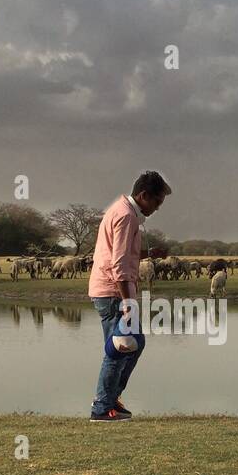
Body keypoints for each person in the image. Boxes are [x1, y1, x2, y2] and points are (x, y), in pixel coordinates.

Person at [86, 170, 172, 421]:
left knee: (133, 344)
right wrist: (127, 303)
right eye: (156, 202)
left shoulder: (122, 211)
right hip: (114, 291)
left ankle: (110, 399)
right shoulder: (126, 216)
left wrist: (148, 255)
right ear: (144, 195)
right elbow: (120, 263)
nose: (156, 209)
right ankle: (102, 407)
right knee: (120, 348)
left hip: (111, 289)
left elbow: (118, 254)